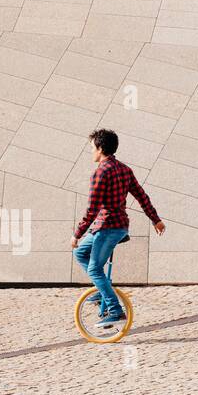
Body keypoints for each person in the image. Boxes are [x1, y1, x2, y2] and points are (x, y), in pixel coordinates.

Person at [72, 128, 166, 326]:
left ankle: (115, 309)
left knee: (95, 269)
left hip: (107, 228)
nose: (91, 152)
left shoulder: (100, 173)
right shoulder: (124, 169)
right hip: (120, 226)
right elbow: (141, 196)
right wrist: (155, 219)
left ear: (100, 148)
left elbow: (92, 210)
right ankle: (101, 290)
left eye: (92, 148)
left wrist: (76, 234)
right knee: (81, 253)